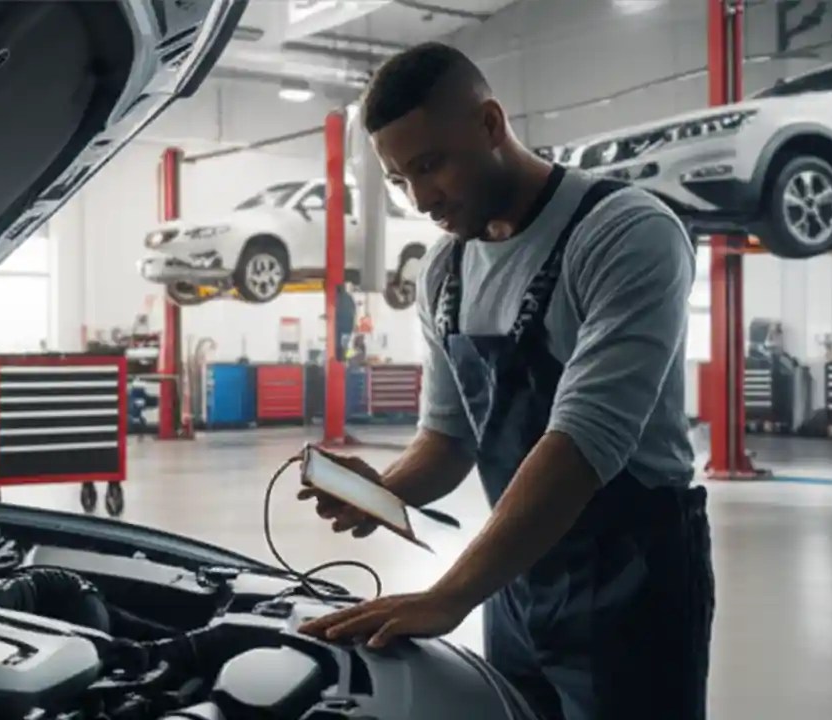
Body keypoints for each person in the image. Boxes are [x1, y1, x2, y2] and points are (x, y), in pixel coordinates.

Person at [297, 42, 714, 719]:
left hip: (633, 579)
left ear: (490, 124)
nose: (420, 198)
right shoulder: (445, 271)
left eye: (432, 166)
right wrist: (383, 490)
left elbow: (582, 445)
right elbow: (449, 439)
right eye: (401, 179)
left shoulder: (623, 233)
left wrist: (450, 594)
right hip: (516, 574)